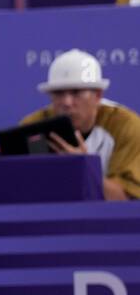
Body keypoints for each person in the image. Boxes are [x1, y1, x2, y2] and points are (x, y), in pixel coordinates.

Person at [19, 49, 140, 201]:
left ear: (97, 96)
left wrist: (83, 167)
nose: (67, 103)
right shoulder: (33, 127)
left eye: (76, 93)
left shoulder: (126, 126)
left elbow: (126, 200)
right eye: (58, 93)